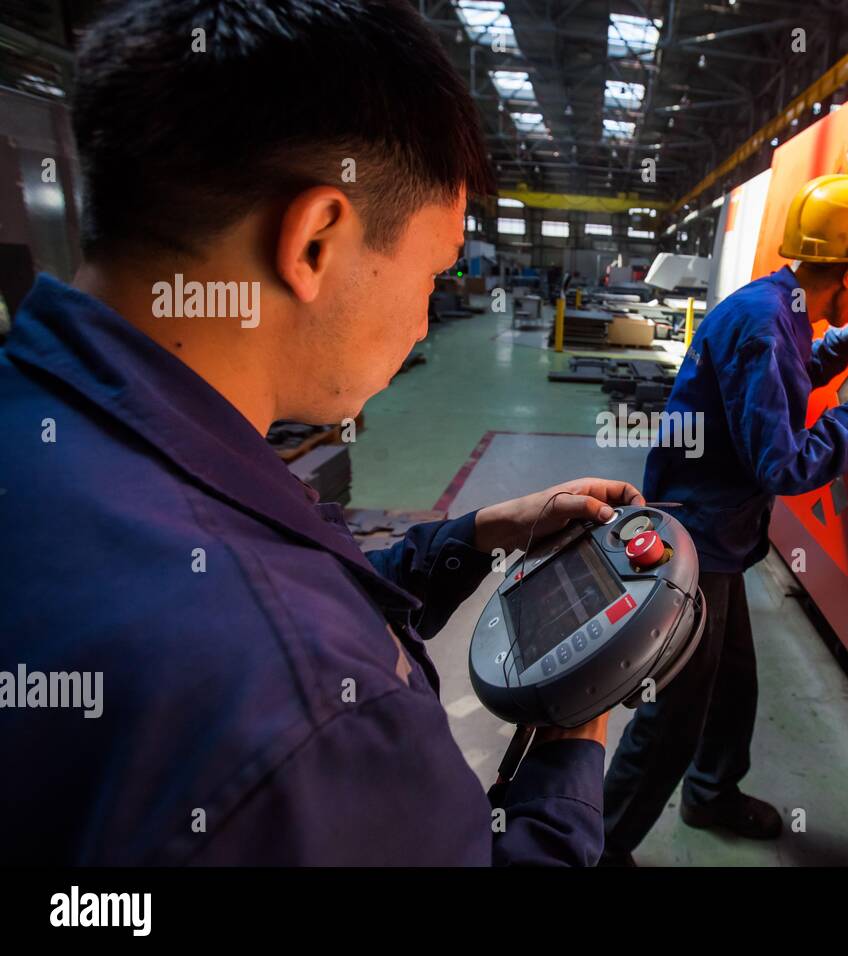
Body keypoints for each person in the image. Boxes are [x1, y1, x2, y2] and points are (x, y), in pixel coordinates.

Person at [0, 0, 636, 866]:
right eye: (432, 271)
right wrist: (572, 747)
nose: (424, 319)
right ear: (315, 242)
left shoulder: (59, 429)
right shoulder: (309, 710)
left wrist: (473, 537)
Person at [601, 174, 848, 864]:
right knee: (675, 715)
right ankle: (596, 850)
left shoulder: (776, 306)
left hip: (713, 531)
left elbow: (784, 379)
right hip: (694, 541)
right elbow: (781, 466)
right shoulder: (764, 325)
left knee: (732, 685)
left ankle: (711, 792)